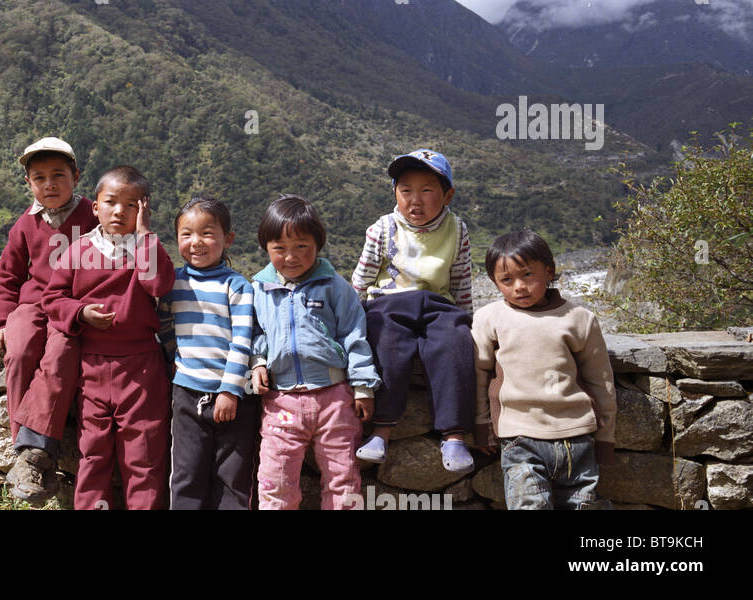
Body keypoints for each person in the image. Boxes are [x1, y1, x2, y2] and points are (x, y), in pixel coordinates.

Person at [42, 165, 174, 509]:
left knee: (144, 456)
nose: (119, 211)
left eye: (132, 205)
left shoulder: (146, 249)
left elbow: (159, 285)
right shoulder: (78, 250)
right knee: (93, 454)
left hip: (142, 369)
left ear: (144, 210)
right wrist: (80, 313)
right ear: (95, 206)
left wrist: (145, 236)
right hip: (91, 367)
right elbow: (53, 299)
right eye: (111, 201)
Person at [250, 195, 379, 510]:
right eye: (279, 248)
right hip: (281, 399)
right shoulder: (258, 290)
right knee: (275, 477)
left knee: (343, 477)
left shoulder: (335, 286)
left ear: (317, 245)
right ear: (266, 248)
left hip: (334, 397)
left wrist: (363, 386)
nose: (291, 257)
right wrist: (257, 363)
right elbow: (253, 333)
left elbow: (354, 334)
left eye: (301, 247)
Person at [350, 149, 476, 473]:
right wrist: (348, 320)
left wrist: (466, 319)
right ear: (394, 193)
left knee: (455, 343)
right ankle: (380, 432)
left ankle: (454, 436)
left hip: (438, 306)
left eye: (427, 190)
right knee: (387, 344)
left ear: (448, 195)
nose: (414, 200)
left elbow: (461, 283)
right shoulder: (382, 229)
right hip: (389, 304)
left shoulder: (457, 231)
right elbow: (360, 282)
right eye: (405, 190)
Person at [472, 231, 616, 509]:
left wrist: (606, 437)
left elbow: (601, 380)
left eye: (527, 275)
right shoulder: (489, 319)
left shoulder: (580, 319)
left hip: (578, 439)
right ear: (494, 282)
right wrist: (482, 427)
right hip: (520, 440)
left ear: (549, 271)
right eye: (507, 280)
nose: (519, 287)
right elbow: (479, 374)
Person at [0, 137, 98, 503]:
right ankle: (26, 456)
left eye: (58, 175)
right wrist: (3, 321)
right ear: (28, 183)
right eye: (39, 178)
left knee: (60, 353)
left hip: (72, 304)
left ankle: (35, 455)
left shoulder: (92, 216)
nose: (49, 184)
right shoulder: (25, 225)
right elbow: (8, 276)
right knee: (19, 353)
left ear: (76, 176)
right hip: (33, 304)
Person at [158, 197, 256, 509]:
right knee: (186, 473)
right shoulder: (172, 282)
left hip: (235, 397)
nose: (196, 242)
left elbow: (243, 340)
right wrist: (174, 359)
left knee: (233, 475)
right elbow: (163, 323)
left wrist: (230, 389)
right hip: (187, 393)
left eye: (207, 234)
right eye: (186, 234)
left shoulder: (237, 286)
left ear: (227, 239)